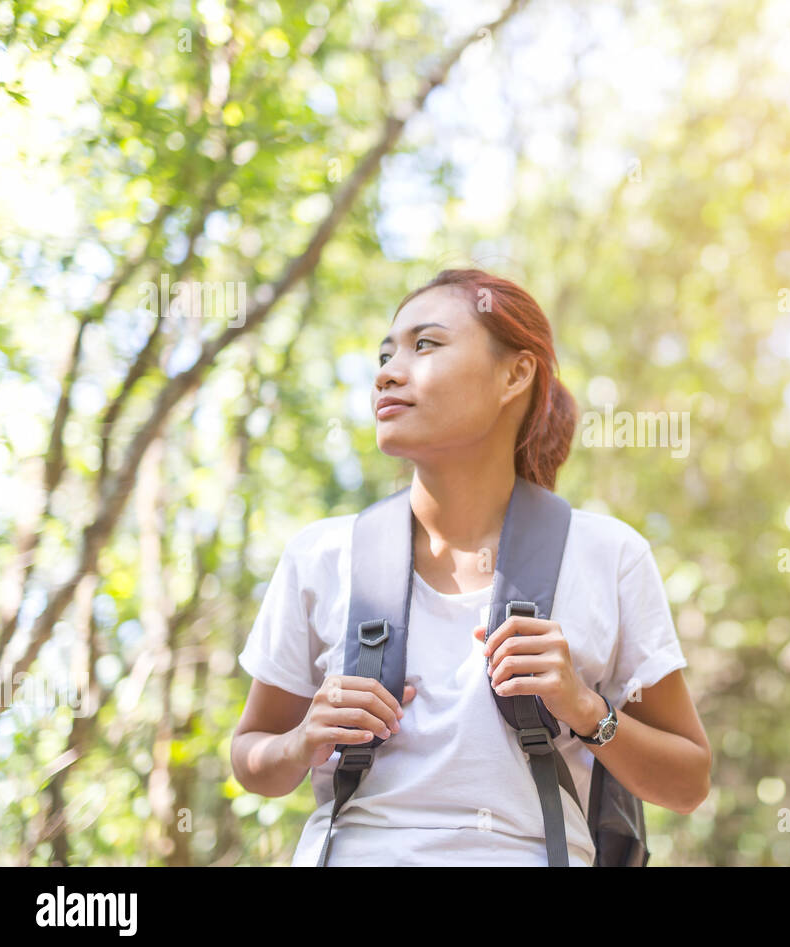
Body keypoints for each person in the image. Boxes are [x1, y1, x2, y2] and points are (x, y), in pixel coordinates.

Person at [229, 268, 711, 865]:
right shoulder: (322, 556)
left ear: (515, 373)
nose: (387, 371)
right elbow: (253, 759)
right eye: (385, 353)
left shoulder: (608, 556)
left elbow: (688, 783)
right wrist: (302, 741)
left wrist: (585, 708)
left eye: (424, 345)